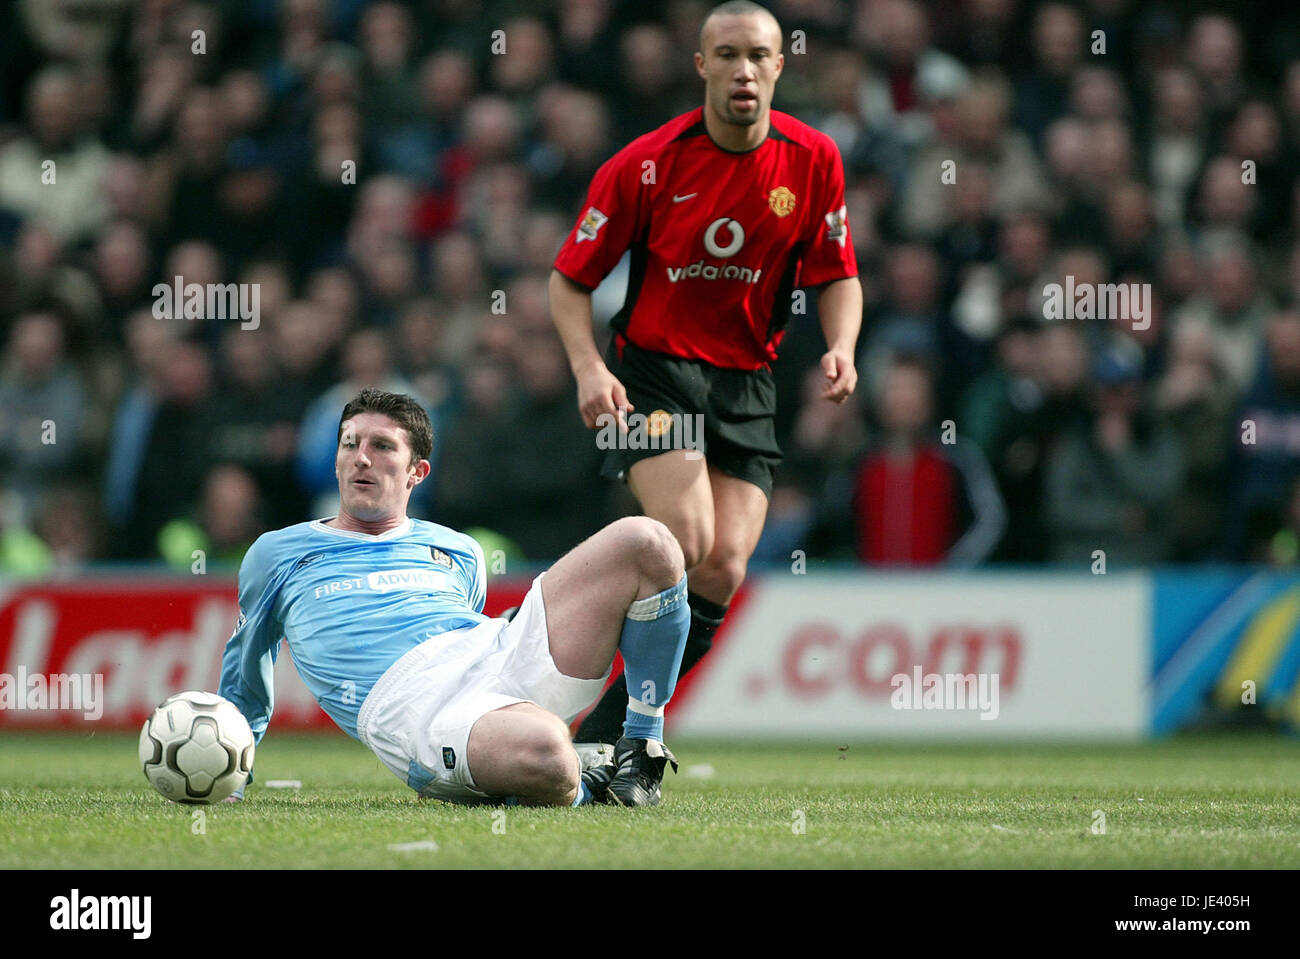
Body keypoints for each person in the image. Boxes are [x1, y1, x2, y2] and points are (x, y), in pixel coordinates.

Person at [549, 0, 862, 743]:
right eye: (726, 55)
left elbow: (838, 272)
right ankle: (556, 654)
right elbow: (568, 279)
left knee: (723, 567)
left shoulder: (814, 159)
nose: (743, 70)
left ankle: (612, 731)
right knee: (684, 540)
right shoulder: (647, 163)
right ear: (702, 67)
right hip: (657, 371)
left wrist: (842, 343)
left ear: (780, 66)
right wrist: (590, 369)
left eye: (758, 55)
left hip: (749, 380)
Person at [218, 388, 690, 807]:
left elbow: (464, 627)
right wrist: (232, 766)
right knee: (550, 757)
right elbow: (247, 664)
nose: (361, 457)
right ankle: (574, 778)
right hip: (417, 709)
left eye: (382, 446)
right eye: (350, 445)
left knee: (648, 541)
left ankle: (641, 747)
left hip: (498, 648)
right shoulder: (277, 552)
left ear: (417, 472)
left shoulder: (458, 549)